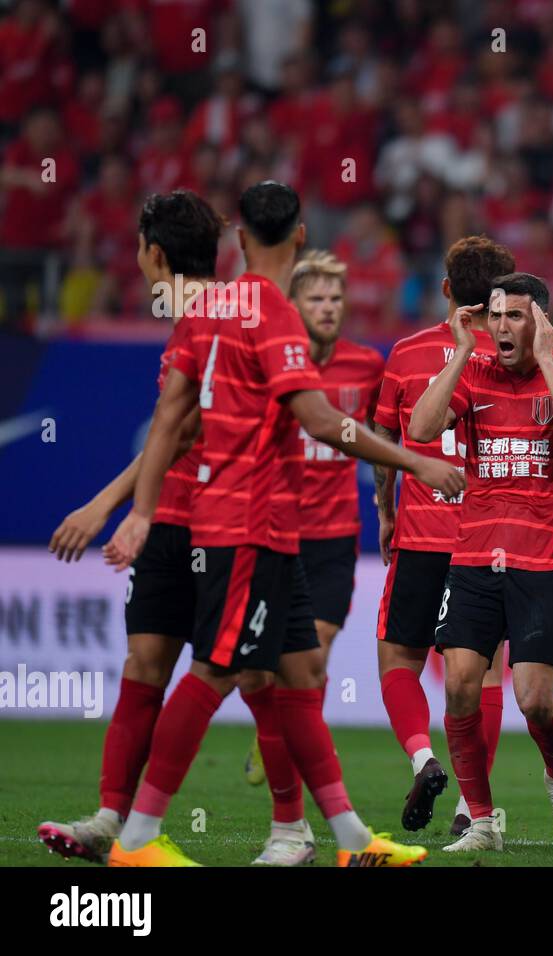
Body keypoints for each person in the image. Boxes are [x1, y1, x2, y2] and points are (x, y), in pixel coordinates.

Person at [100, 181, 462, 867]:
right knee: (215, 670)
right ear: (299, 238)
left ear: (238, 239)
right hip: (247, 520)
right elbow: (322, 420)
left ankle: (349, 841)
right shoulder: (269, 308)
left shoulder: (210, 309)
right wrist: (416, 462)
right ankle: (137, 835)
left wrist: (141, 512)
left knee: (297, 677)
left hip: (264, 526)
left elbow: (171, 419)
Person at [38, 189, 311, 867]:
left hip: (219, 521)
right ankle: (114, 821)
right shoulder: (221, 309)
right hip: (184, 520)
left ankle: (286, 831)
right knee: (154, 665)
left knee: (249, 675)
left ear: (151, 254)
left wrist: (109, 507)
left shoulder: (212, 318)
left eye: (138, 248)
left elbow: (179, 429)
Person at [408, 271, 553, 853]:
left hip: (543, 561)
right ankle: (484, 820)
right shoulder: (474, 372)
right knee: (461, 688)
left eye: (514, 316)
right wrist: (460, 351)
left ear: (540, 321)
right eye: (494, 316)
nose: (500, 327)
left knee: (535, 699)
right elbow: (418, 428)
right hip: (473, 558)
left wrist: (545, 359)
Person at [369, 236, 515, 836]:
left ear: (448, 289)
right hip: (489, 543)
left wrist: (385, 512)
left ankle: (424, 759)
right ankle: (470, 808)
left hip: (423, 536)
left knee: (397, 660)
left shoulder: (406, 354)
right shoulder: (516, 357)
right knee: (485, 674)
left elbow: (384, 452)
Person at [243, 250, 385, 788]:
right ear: (293, 304)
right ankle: (269, 730)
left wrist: (387, 505)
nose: (328, 308)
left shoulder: (366, 365)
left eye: (335, 298)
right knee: (256, 667)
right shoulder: (270, 361)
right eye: (316, 298)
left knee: (315, 656)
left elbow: (381, 438)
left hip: (333, 537)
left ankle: (297, 754)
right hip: (271, 531)